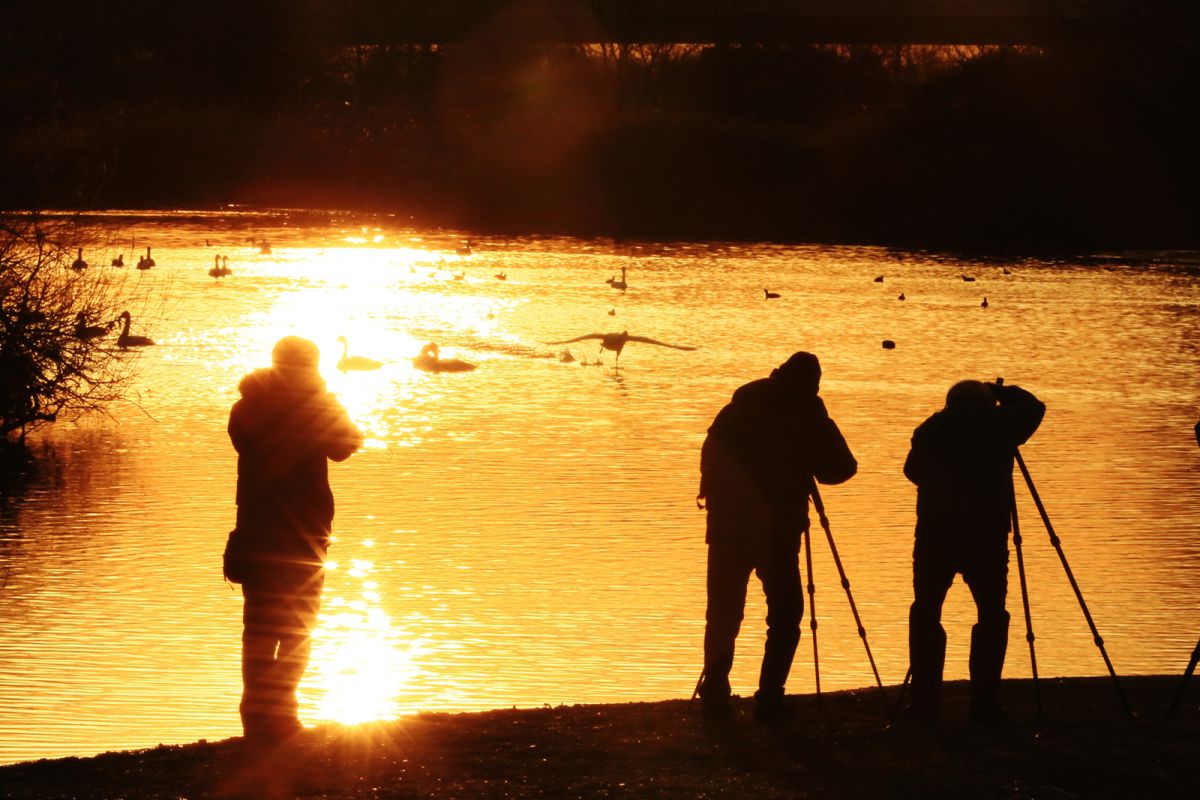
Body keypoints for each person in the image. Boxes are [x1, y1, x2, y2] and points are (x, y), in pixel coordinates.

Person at [696, 352, 857, 721]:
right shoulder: (806, 411)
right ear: (810, 383)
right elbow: (841, 468)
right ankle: (770, 697)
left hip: (726, 529)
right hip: (778, 531)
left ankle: (716, 691)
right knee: (785, 614)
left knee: (723, 613)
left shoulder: (737, 407)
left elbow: (708, 460)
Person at [227, 336, 363, 741]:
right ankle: (281, 709)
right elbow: (346, 445)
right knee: (299, 626)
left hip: (257, 528)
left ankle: (258, 711)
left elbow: (246, 441)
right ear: (310, 367)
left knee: (260, 626)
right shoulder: (314, 407)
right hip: (303, 533)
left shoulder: (246, 406)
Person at [903, 379, 1045, 724]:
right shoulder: (1001, 424)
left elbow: (912, 471)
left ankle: (924, 704)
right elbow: (1035, 407)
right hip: (986, 534)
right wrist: (1002, 391)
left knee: (926, 612)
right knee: (991, 614)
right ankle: (984, 704)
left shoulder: (930, 428)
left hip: (937, 532)